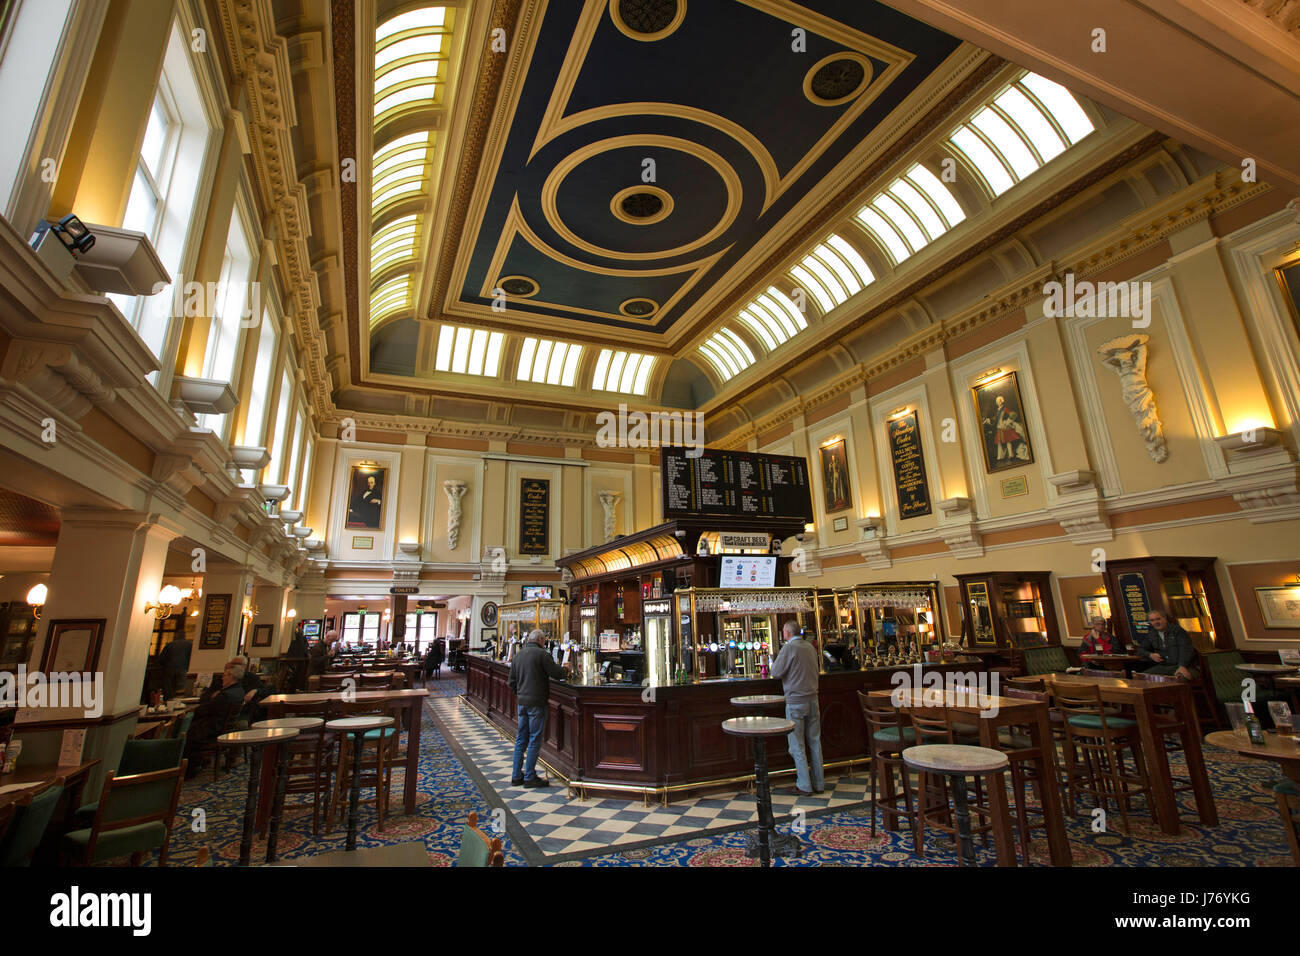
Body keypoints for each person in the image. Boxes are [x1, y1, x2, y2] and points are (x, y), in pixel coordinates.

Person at [771, 620, 824, 796]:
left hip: (795, 702)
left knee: (797, 745)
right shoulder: (810, 647)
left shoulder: (788, 648)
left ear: (786, 633)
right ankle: (819, 783)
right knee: (815, 743)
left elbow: (775, 672)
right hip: (813, 700)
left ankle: (804, 785)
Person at [508, 628, 567, 787]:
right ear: (541, 640)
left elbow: (511, 682)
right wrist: (566, 668)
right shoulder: (542, 655)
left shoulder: (519, 654)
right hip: (537, 703)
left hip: (522, 703)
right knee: (534, 739)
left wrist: (520, 694)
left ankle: (516, 775)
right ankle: (529, 776)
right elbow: (557, 673)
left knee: (521, 739)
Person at [183, 661, 247, 778]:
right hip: (221, 726)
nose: (222, 677)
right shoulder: (239, 691)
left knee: (186, 731)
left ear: (231, 677)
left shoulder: (225, 695)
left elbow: (204, 710)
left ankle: (189, 767)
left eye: (225, 675)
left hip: (212, 728)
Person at [1133, 608, 1197, 679]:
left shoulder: (1177, 631)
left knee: (1180, 678)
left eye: (1158, 619)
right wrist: (1150, 655)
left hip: (1184, 666)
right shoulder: (1152, 634)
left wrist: (1182, 666)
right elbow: (1141, 650)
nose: (1156, 622)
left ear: (1165, 618)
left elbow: (1186, 650)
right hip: (1164, 667)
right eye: (1152, 620)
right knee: (1140, 678)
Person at [156, 626, 193, 699]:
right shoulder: (189, 645)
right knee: (181, 687)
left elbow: (161, 659)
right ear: (184, 636)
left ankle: (168, 702)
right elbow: (192, 657)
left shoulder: (170, 645)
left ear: (176, 635)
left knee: (168, 688)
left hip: (169, 669)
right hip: (183, 668)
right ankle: (178, 702)